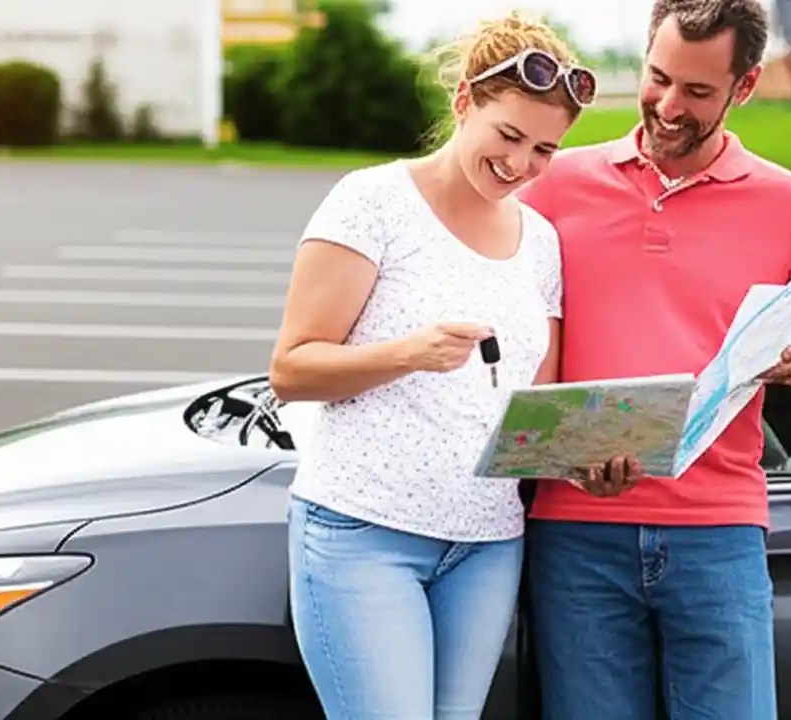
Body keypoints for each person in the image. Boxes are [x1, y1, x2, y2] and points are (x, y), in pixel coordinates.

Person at [513, 0, 791, 718]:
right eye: (658, 78)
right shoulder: (554, 187)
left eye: (698, 92)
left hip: (718, 533)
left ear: (744, 88)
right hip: (577, 532)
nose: (668, 106)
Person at [268, 12, 631, 719]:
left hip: (486, 545)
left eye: (544, 150)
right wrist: (409, 353)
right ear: (465, 101)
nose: (521, 165)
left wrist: (582, 458)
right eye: (509, 136)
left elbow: (536, 405)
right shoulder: (372, 202)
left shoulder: (542, 243)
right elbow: (293, 367)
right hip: (363, 534)